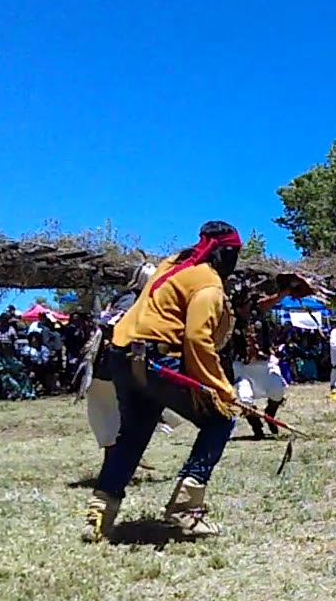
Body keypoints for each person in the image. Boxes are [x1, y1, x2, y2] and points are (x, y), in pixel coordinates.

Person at [80, 221, 243, 543]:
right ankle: (186, 509)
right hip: (157, 359)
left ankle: (100, 512)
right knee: (221, 420)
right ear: (226, 254)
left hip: (123, 355)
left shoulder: (174, 262)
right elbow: (198, 340)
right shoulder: (209, 285)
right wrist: (222, 389)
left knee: (131, 437)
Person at [79, 260, 185, 465]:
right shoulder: (132, 300)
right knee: (114, 421)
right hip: (112, 370)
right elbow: (113, 326)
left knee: (120, 420)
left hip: (116, 370)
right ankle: (118, 465)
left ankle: (123, 461)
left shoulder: (136, 300)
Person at [226, 279, 295, 437]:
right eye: (240, 305)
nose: (244, 308)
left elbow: (273, 300)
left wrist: (287, 290)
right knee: (244, 399)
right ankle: (256, 426)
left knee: (277, 391)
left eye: (246, 303)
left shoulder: (258, 311)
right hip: (243, 367)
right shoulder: (229, 319)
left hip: (265, 364)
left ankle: (270, 414)